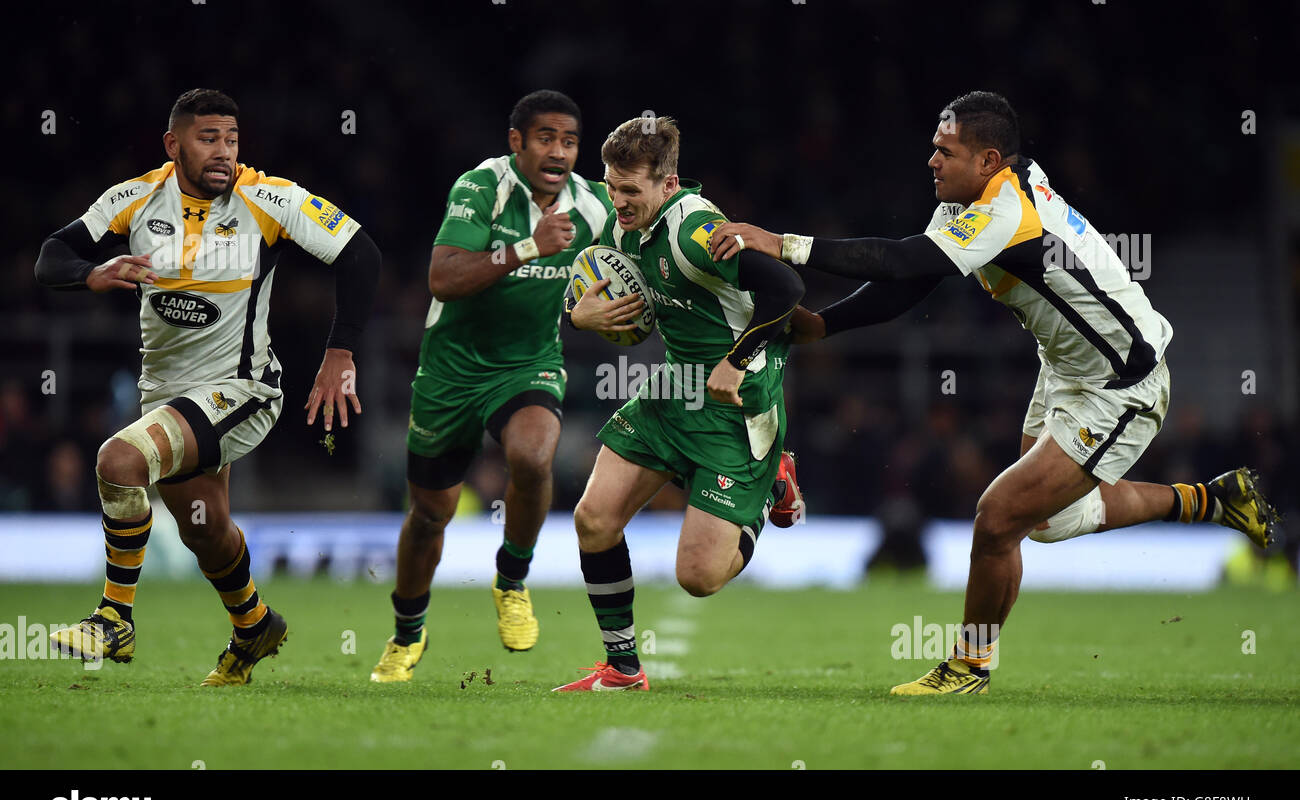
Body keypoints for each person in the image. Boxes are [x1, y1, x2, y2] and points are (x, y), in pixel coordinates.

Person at [710, 90, 1280, 695]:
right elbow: (913, 278)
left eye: (945, 151)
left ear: (988, 160)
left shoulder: (1007, 207)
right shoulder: (974, 199)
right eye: (933, 147)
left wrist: (782, 242)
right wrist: (826, 325)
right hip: (1065, 367)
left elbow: (900, 261)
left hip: (1120, 381)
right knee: (1050, 522)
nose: (931, 160)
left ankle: (968, 666)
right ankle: (1213, 500)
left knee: (998, 518)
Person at [34, 88, 379, 685]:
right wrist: (92, 272)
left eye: (232, 139)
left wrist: (340, 351)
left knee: (119, 460)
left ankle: (114, 618)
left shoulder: (269, 198)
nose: (224, 152)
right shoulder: (134, 198)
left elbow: (361, 256)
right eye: (208, 139)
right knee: (203, 526)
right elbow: (51, 255)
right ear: (173, 144)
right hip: (165, 393)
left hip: (241, 389)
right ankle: (254, 624)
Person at [553, 115, 807, 692]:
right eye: (612, 187)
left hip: (736, 405)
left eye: (630, 191)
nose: (618, 201)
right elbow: (633, 310)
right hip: (673, 389)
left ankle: (771, 483)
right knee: (593, 519)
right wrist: (578, 314)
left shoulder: (696, 233)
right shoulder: (620, 219)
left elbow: (788, 291)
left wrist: (737, 359)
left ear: (668, 185)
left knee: (698, 577)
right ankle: (622, 669)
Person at [369, 90, 612, 682]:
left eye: (570, 140)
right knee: (430, 515)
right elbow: (443, 278)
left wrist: (595, 309)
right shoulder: (481, 188)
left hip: (527, 364)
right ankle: (407, 632)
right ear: (517, 143)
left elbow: (633, 250)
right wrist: (529, 246)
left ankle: (512, 577)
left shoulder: (596, 205)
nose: (559, 151)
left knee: (533, 456)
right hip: (450, 370)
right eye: (546, 138)